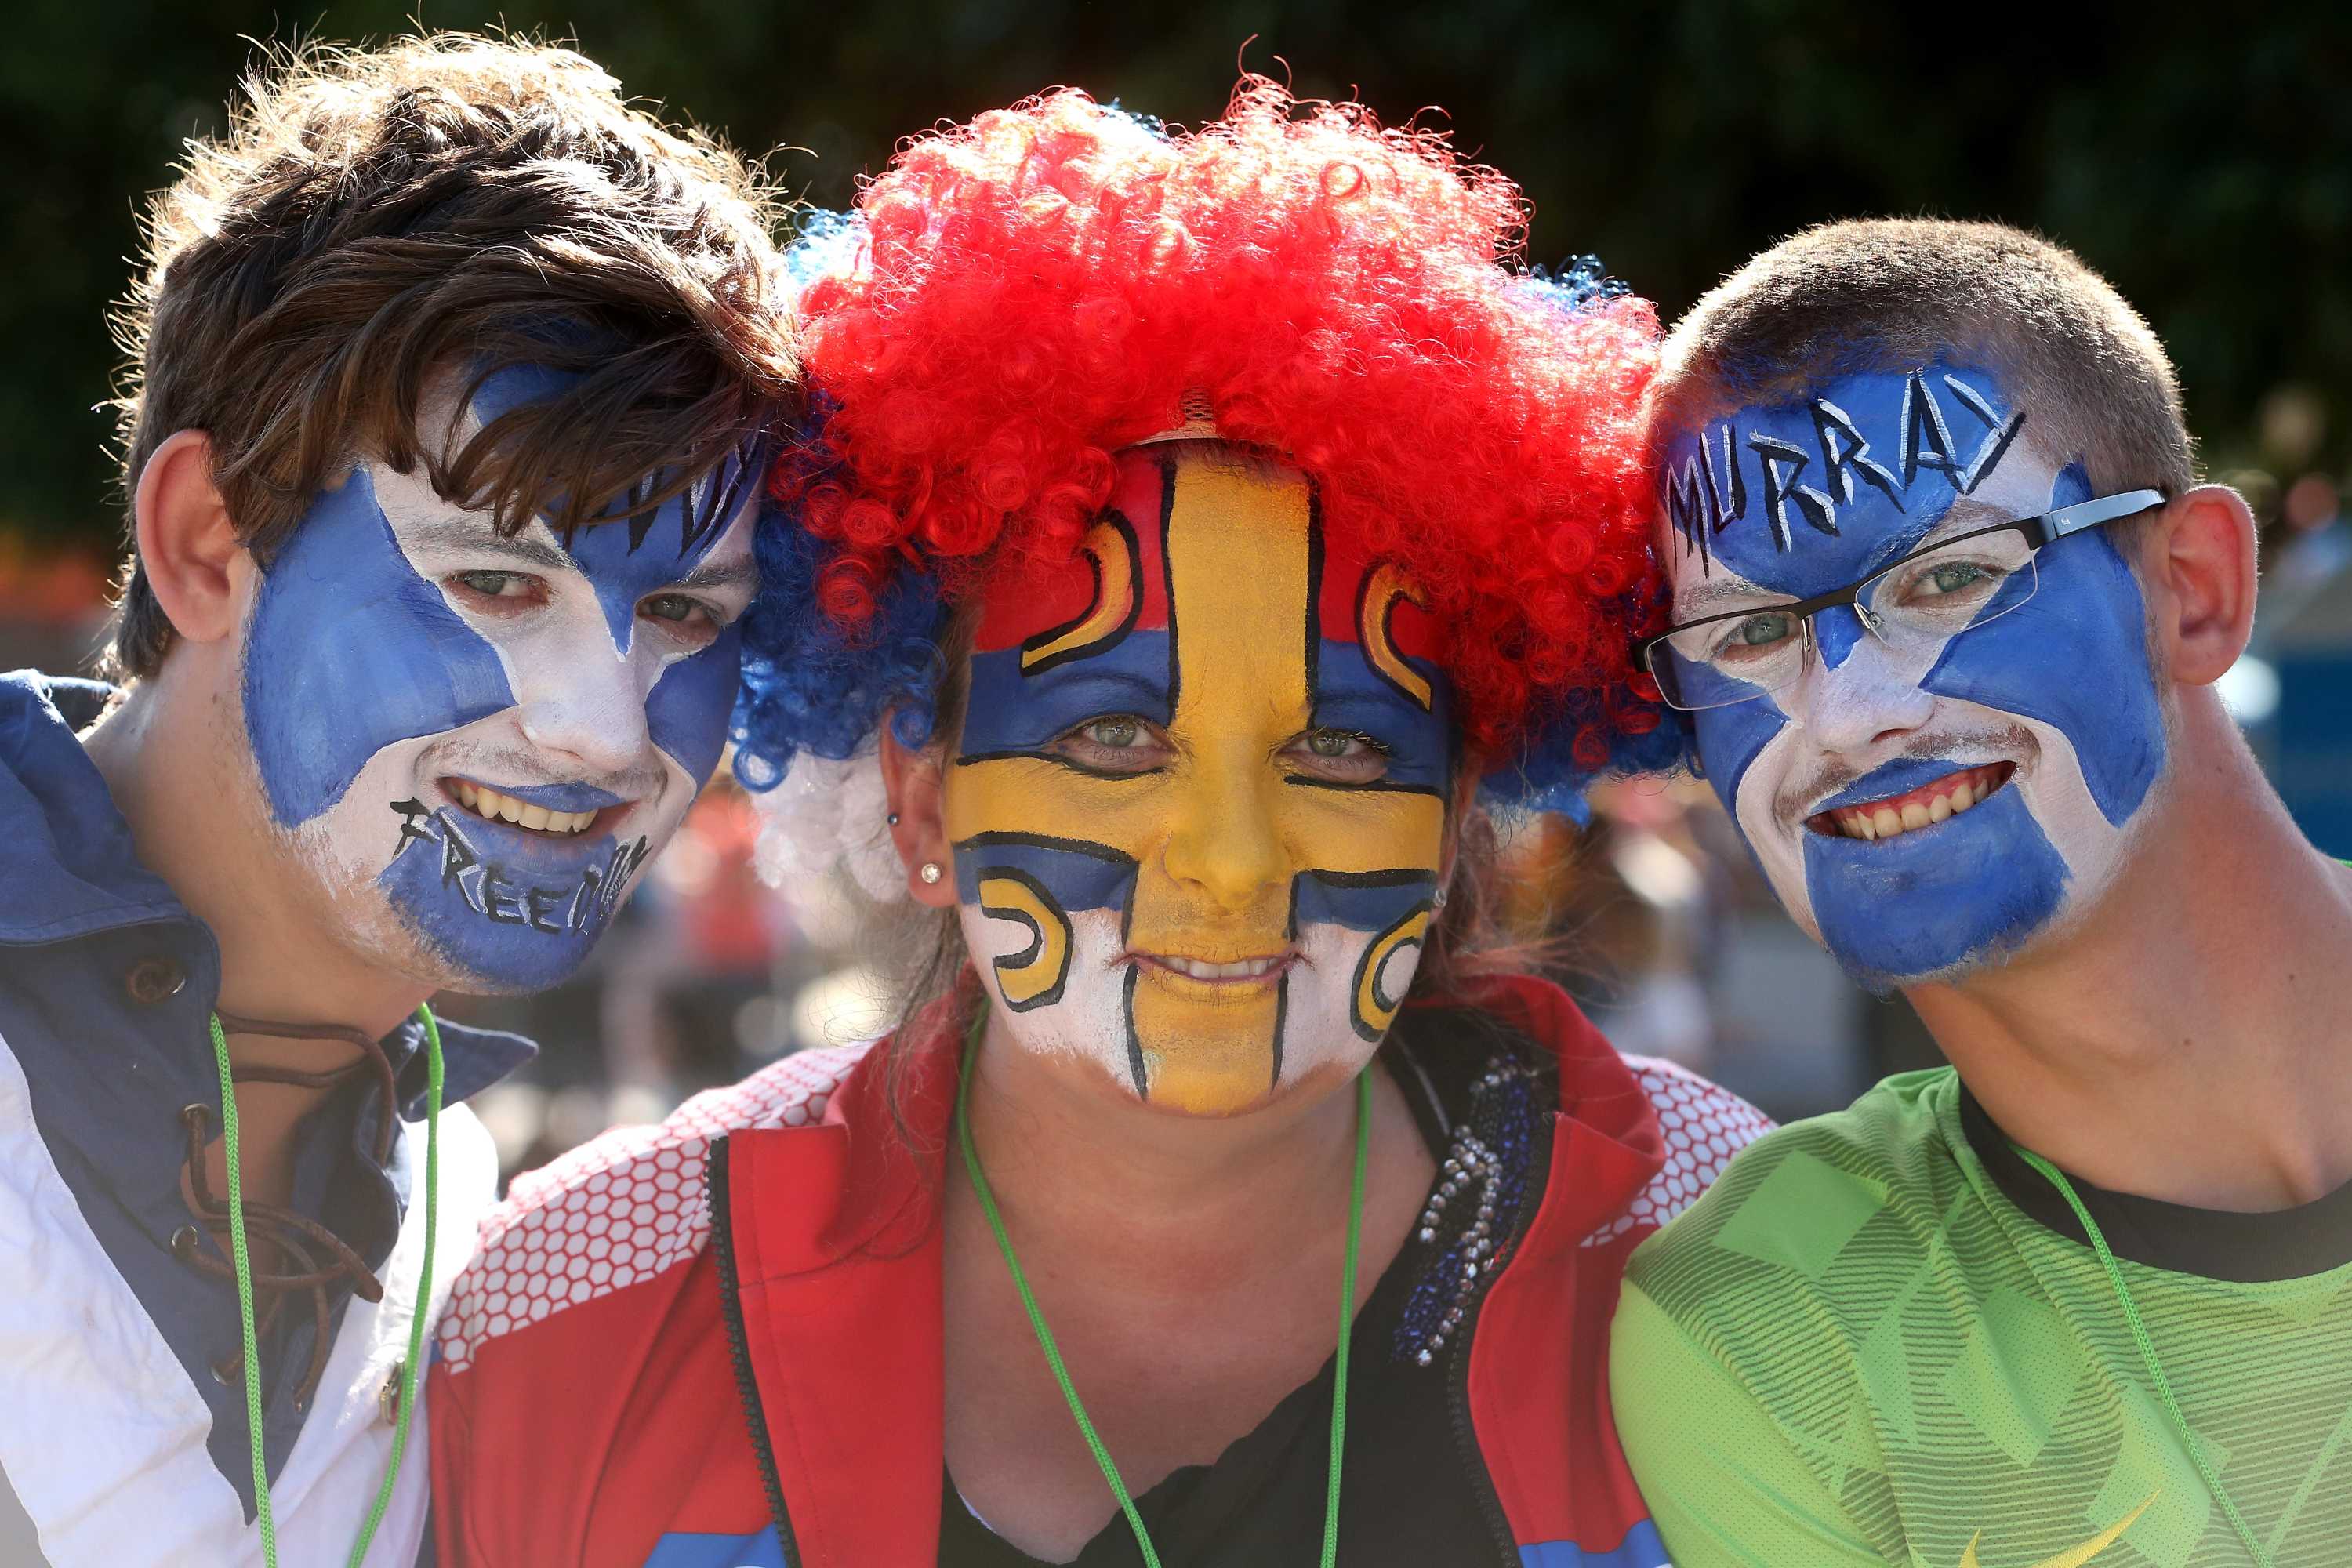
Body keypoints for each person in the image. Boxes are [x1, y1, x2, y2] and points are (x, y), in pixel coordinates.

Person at [426, 82, 1772, 1568]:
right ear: (922, 796)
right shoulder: (584, 1306)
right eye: (1114, 735)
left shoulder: (1738, 1266)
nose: (1236, 858)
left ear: (1455, 814)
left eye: (1337, 747)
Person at [0, 33, 795, 1567]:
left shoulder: (454, 1205)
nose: (604, 737)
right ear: (207, 544)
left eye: (689, 614)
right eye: (496, 582)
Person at [1610, 220, 2352, 1566]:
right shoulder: (1779, 1317)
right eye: (1753, 636)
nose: (1849, 717)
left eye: (1950, 576)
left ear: (2192, 592)